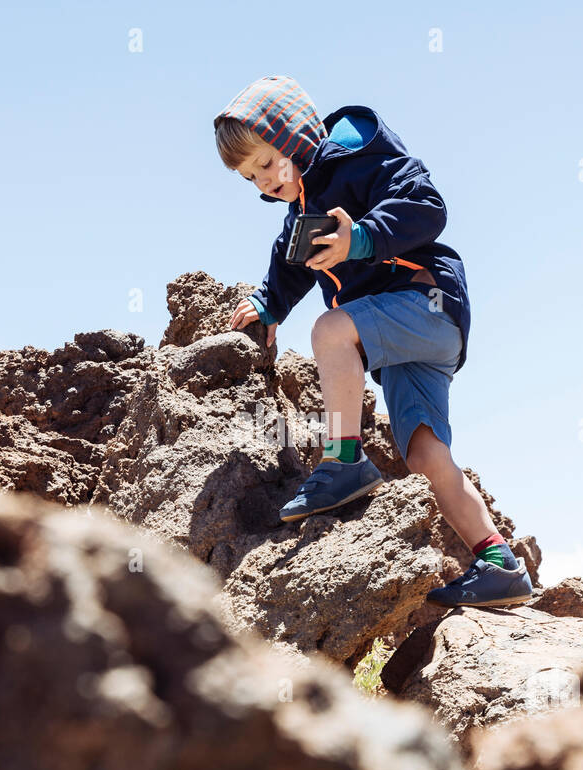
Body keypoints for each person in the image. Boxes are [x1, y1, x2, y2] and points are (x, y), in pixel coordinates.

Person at [213, 75, 532, 607]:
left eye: (267, 163)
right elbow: (289, 268)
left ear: (295, 137)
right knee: (424, 455)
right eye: (250, 178)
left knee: (330, 330)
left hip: (427, 301)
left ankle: (343, 460)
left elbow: (427, 207)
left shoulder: (360, 158)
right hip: (411, 345)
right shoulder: (301, 216)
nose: (264, 182)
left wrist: (358, 237)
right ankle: (499, 563)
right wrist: (267, 305)